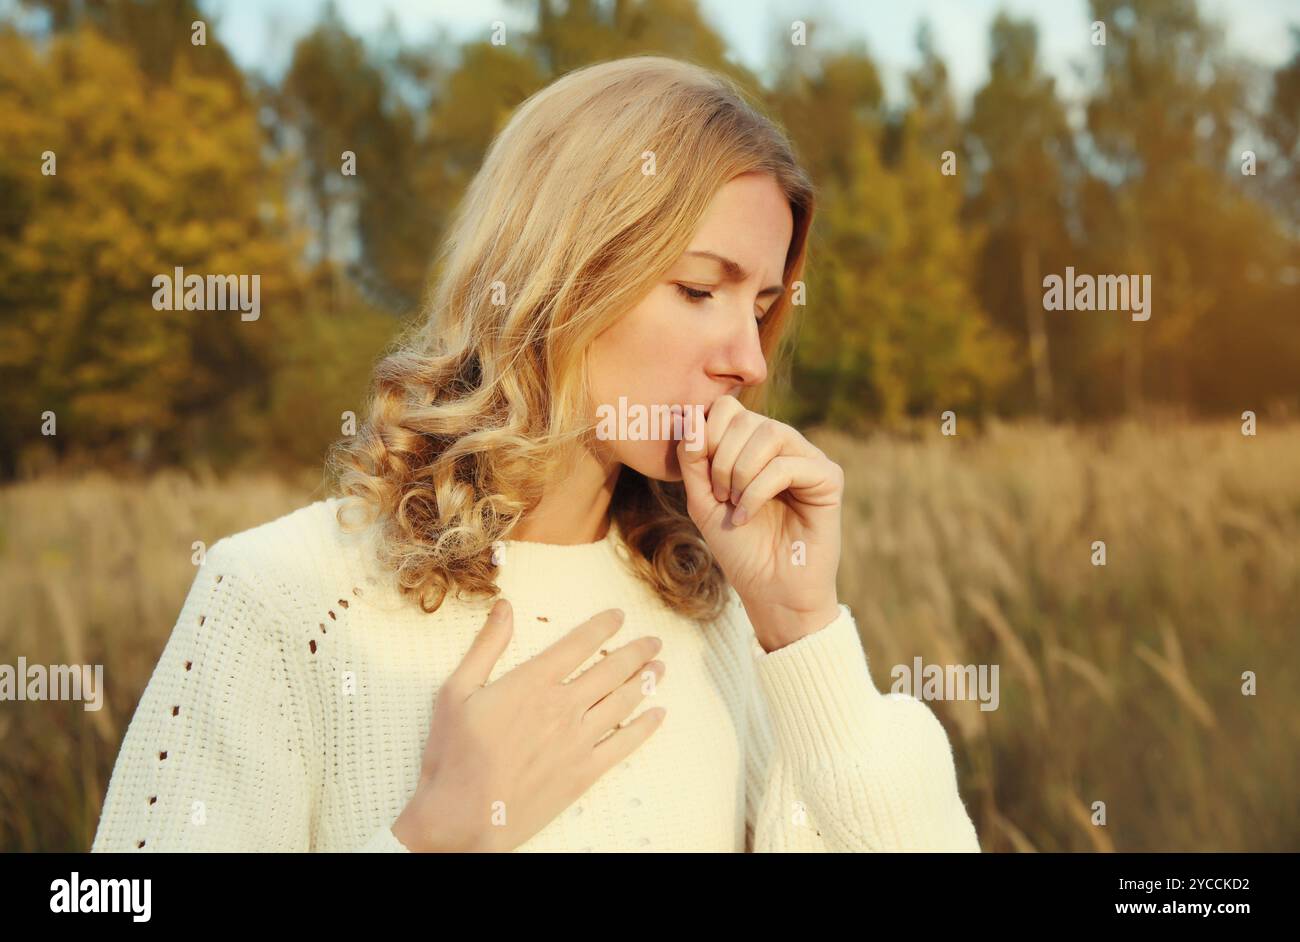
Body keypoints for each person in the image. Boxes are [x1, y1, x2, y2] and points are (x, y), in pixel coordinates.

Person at [91, 55, 981, 853]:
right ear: (563, 273)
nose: (748, 361)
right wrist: (429, 844)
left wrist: (802, 629)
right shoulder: (282, 601)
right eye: (700, 288)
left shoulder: (729, 615)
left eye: (759, 308)